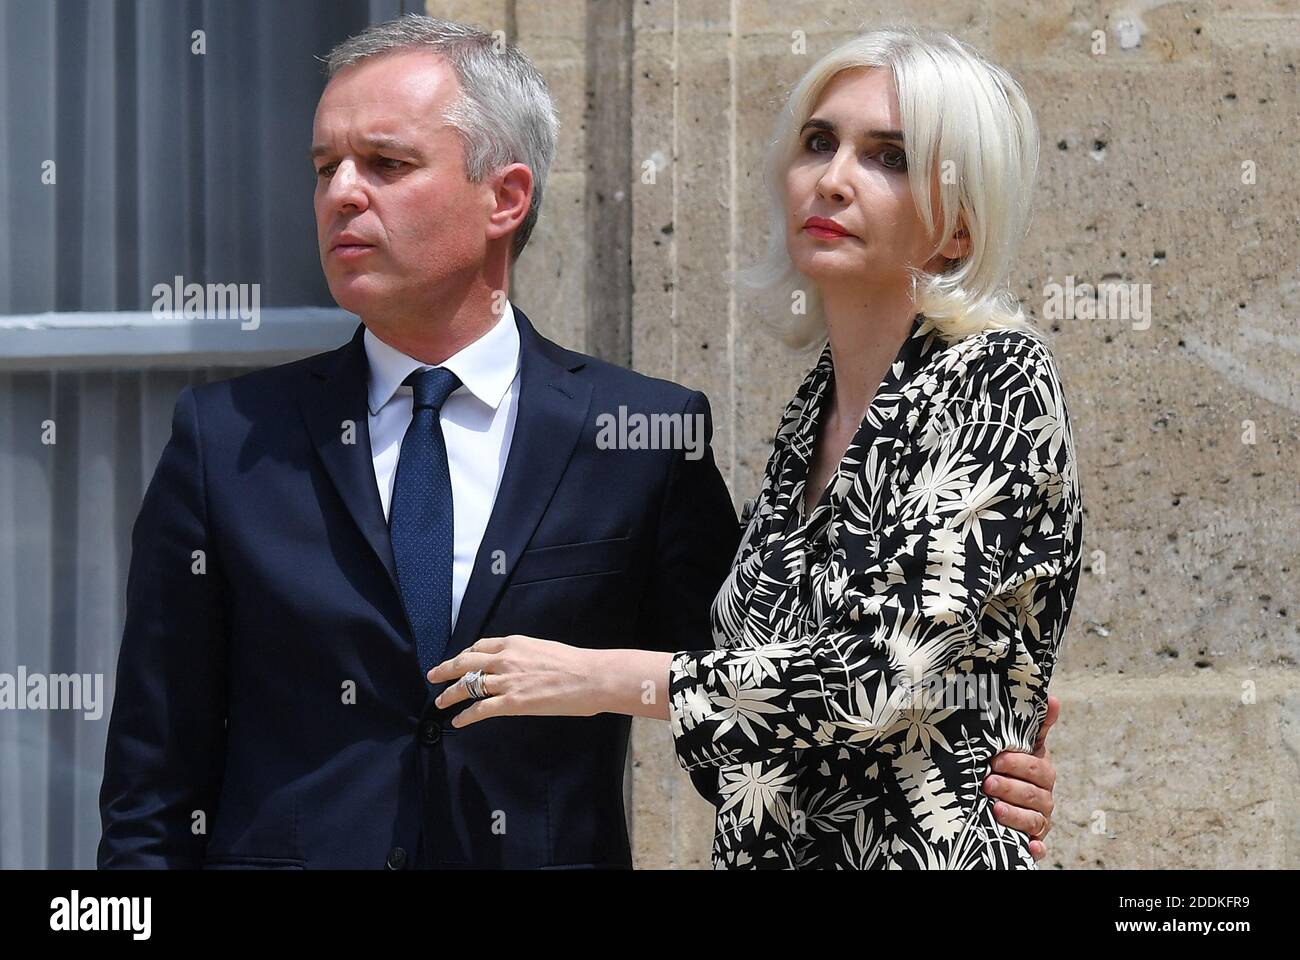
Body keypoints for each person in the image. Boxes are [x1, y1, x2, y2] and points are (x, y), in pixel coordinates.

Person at [99, 16, 1059, 870]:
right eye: (325, 168)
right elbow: (152, 774)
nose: (342, 194)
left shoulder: (641, 435)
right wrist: (962, 737)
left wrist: (971, 749)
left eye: (385, 165)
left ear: (505, 197)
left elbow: (759, 696)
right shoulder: (225, 440)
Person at [431, 26, 1080, 869]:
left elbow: (876, 680)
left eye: (889, 156)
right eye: (820, 141)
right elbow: (737, 728)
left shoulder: (995, 379)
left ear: (956, 226)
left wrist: (595, 679)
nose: (835, 178)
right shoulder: (815, 408)